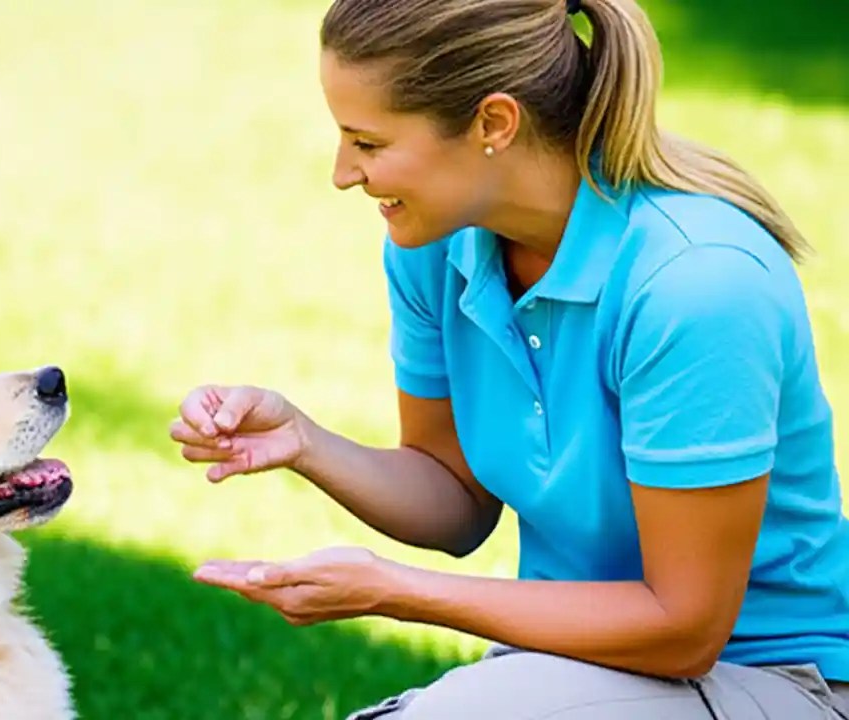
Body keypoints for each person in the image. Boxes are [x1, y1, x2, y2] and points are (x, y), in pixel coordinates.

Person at [168, 0, 849, 717]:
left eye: (368, 143)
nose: (343, 173)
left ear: (494, 123)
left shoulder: (696, 284)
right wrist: (303, 441)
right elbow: (455, 499)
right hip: (577, 667)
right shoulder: (439, 245)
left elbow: (683, 630)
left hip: (773, 678)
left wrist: (394, 591)